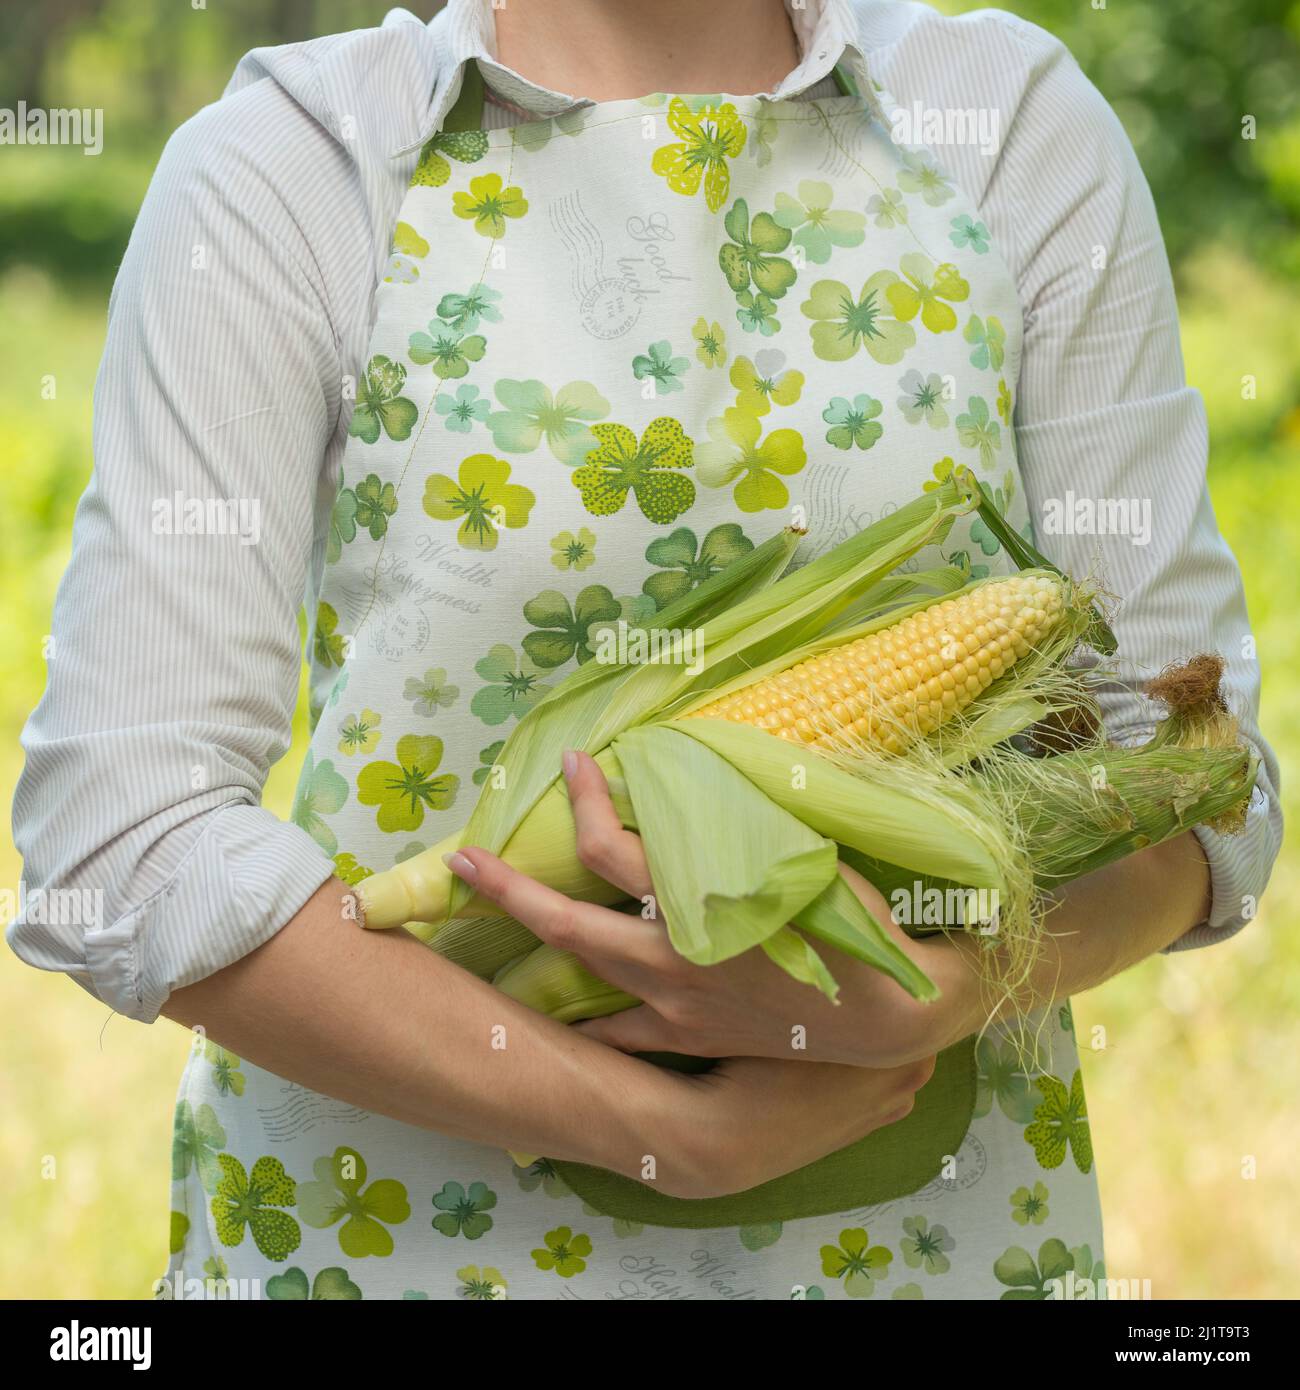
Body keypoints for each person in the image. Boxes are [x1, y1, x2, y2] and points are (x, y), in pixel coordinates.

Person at [9, 0, 1280, 1300]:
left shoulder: (1008, 122)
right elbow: (126, 830)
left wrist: (952, 985)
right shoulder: (295, 161)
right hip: (388, 1247)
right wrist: (662, 1132)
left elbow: (1201, 775)